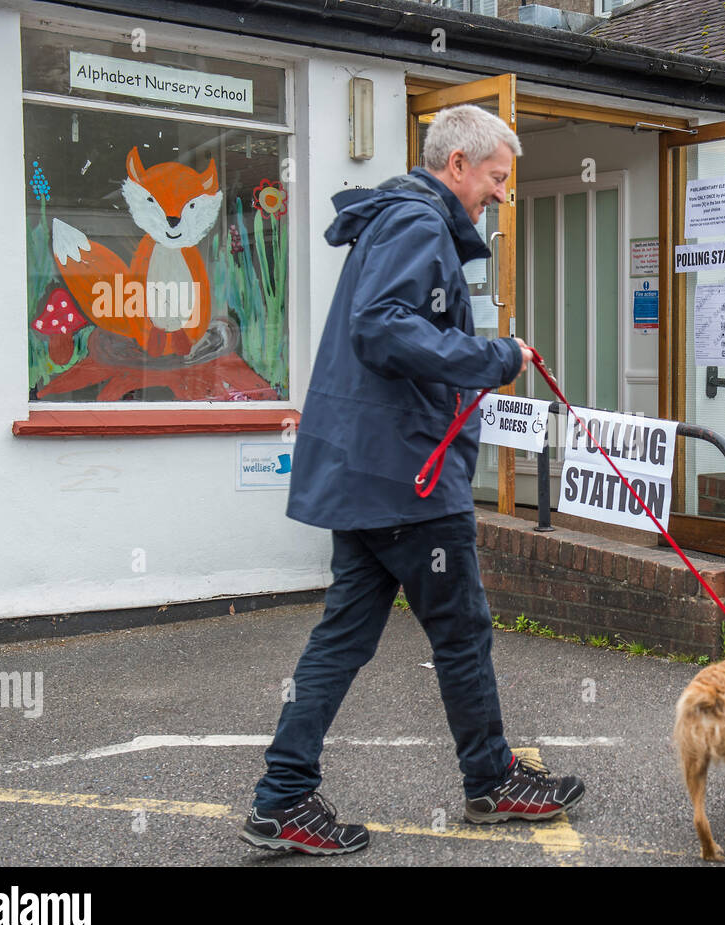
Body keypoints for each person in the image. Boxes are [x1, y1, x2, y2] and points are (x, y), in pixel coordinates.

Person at [240, 105, 585, 855]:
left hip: (371, 473)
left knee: (343, 638)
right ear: (457, 162)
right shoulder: (419, 224)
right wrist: (495, 358)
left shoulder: (396, 220)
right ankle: (492, 782)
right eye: (496, 178)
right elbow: (384, 327)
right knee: (460, 632)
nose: (499, 194)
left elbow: (387, 326)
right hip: (408, 477)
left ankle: (283, 798)